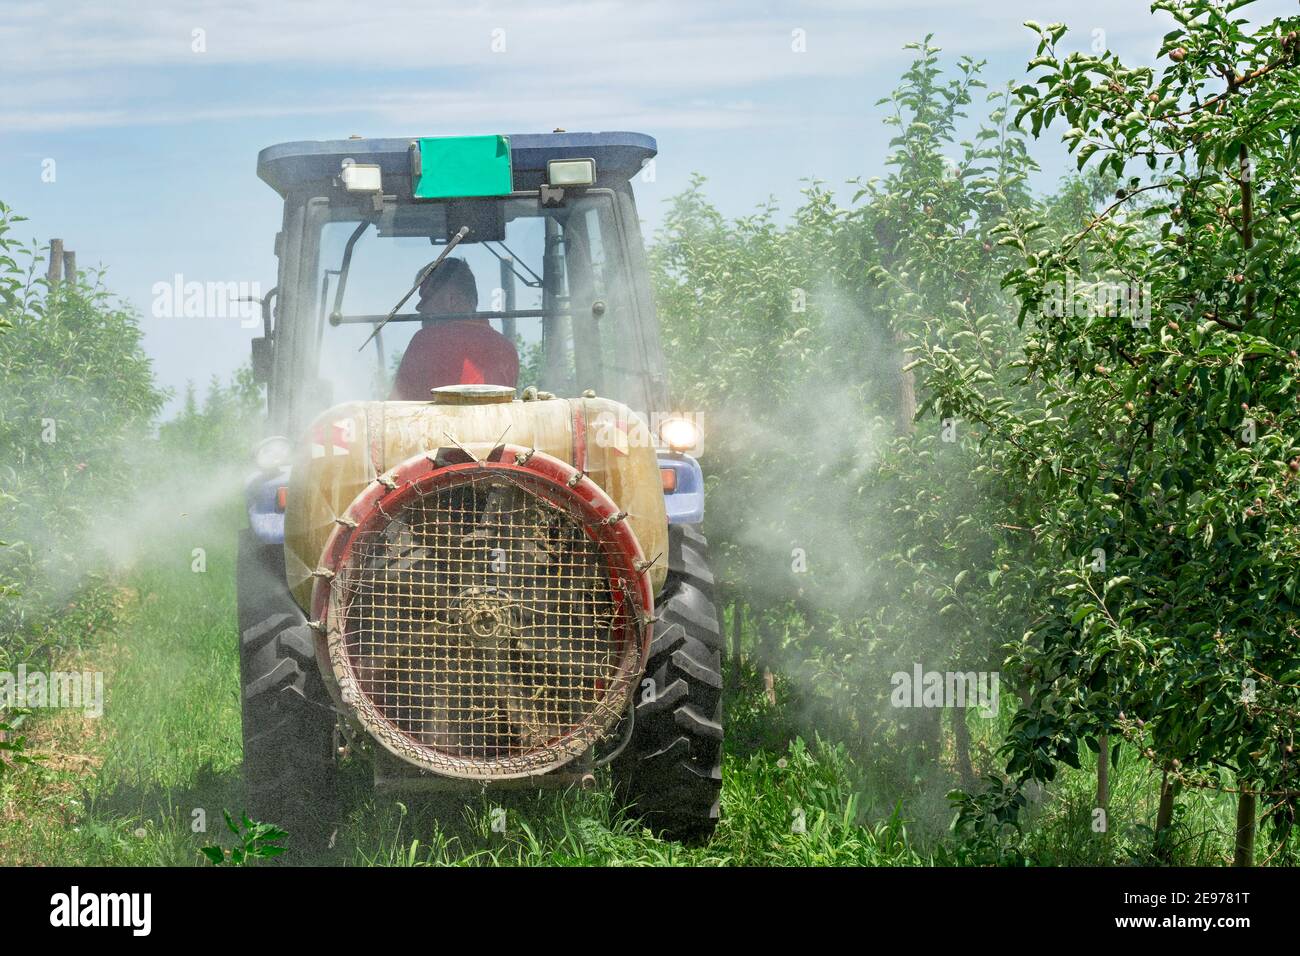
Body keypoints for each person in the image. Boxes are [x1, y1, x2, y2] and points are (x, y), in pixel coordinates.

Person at [389, 257, 519, 400]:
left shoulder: (427, 341)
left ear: (452, 300)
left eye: (426, 298)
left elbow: (395, 407)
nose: (419, 308)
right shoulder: (506, 348)